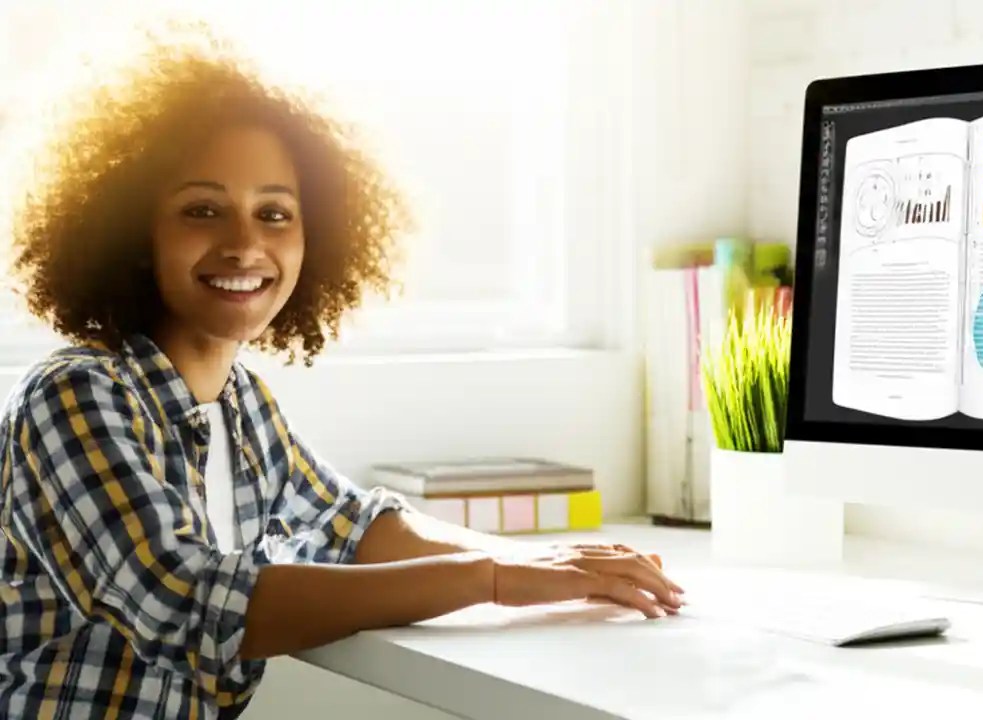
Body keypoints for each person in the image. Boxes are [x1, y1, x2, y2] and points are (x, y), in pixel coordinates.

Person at [0, 21, 683, 720]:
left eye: (274, 213)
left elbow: (353, 526)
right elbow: (191, 605)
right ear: (131, 231)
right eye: (202, 210)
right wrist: (493, 578)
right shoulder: (73, 396)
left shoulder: (242, 405)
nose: (245, 244)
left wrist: (544, 562)